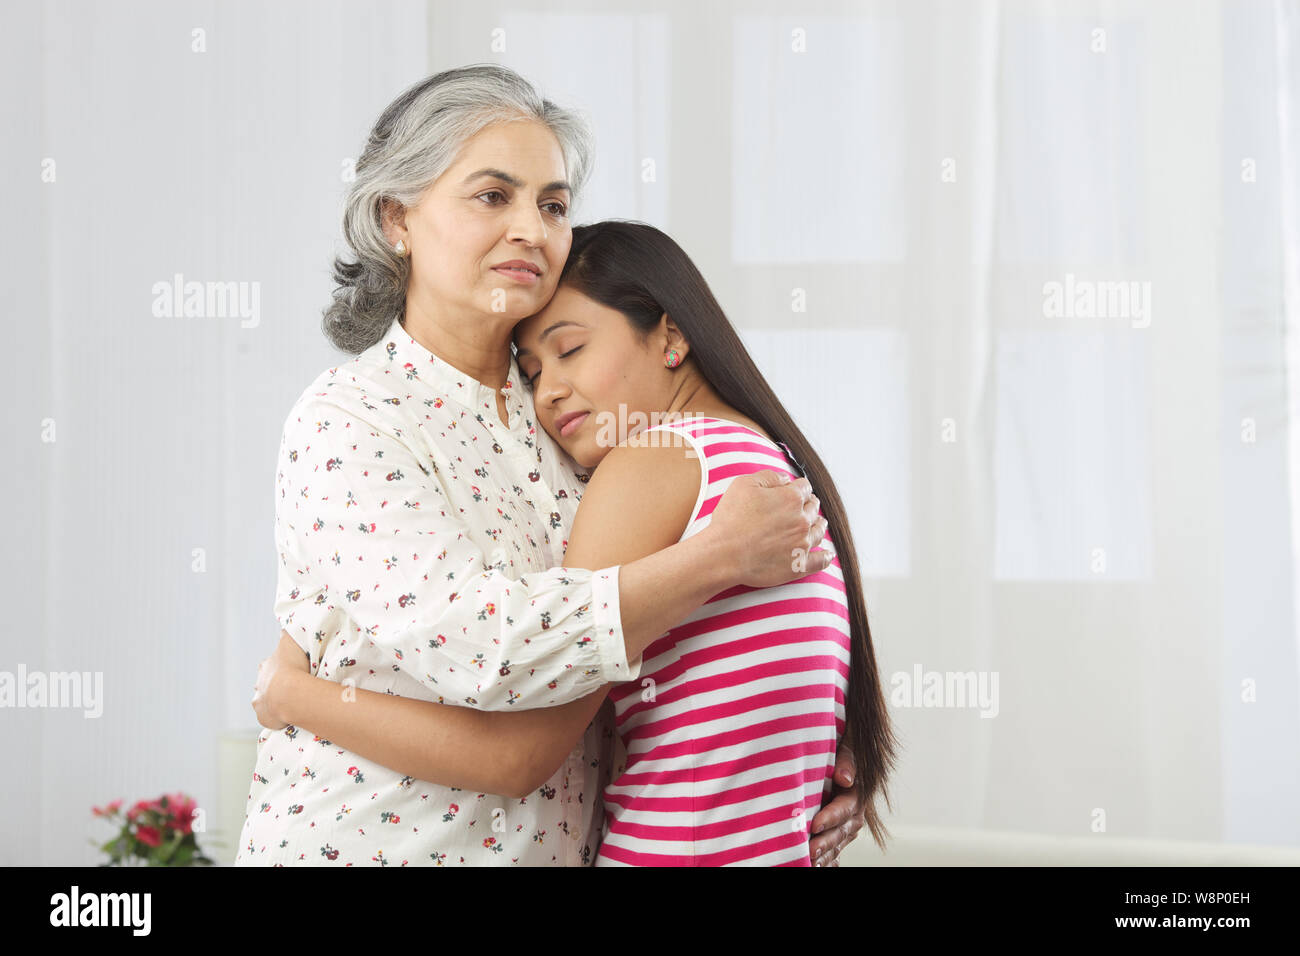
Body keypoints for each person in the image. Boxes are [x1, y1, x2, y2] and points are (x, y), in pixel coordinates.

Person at [235, 65, 840, 867]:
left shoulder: (579, 420)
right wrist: (717, 556)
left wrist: (812, 763)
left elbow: (688, 665)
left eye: (552, 205)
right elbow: (488, 650)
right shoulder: (352, 418)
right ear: (397, 218)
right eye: (494, 196)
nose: (533, 228)